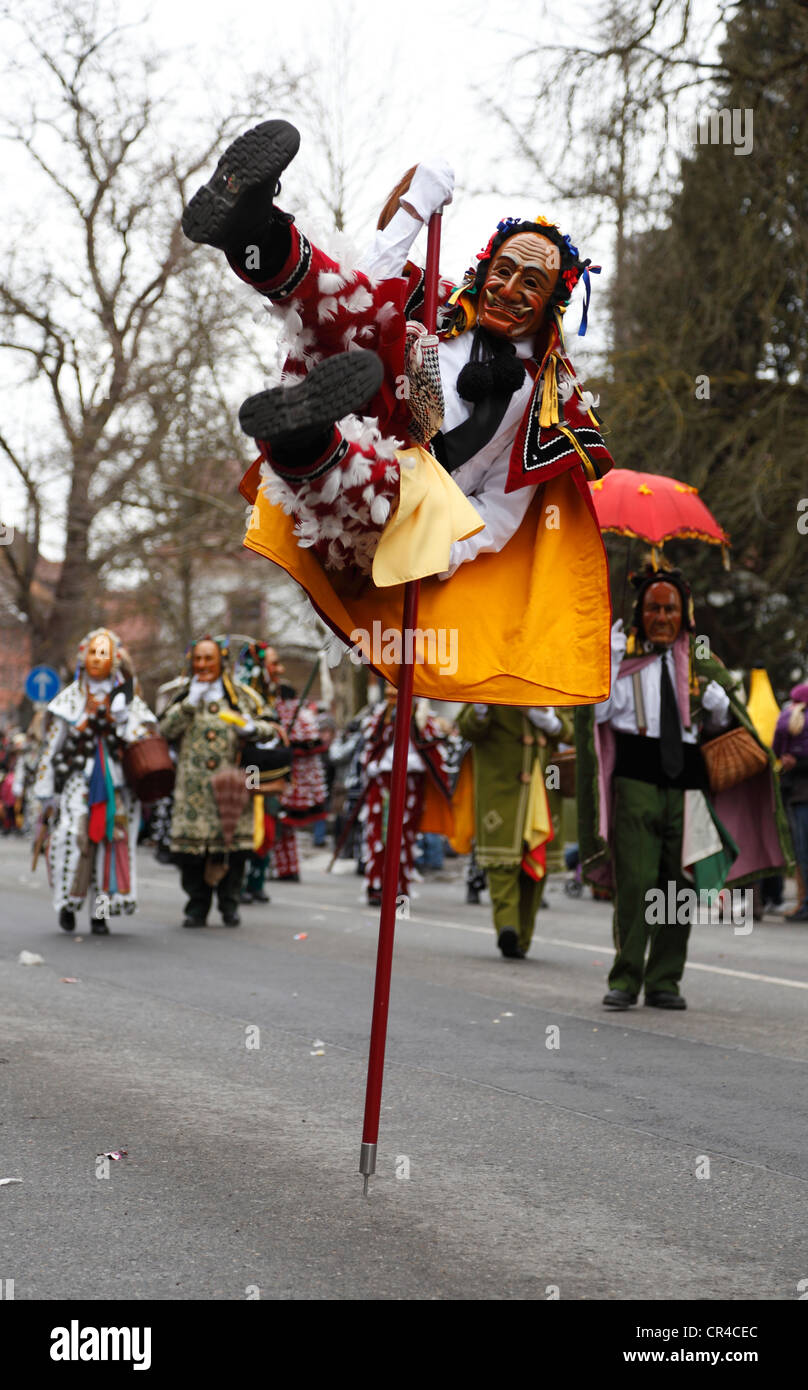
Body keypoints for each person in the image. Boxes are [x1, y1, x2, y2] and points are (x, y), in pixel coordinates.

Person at [180, 119, 613, 707]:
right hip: (374, 399)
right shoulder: (438, 312)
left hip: (399, 516)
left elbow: (501, 514)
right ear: (484, 273)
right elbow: (378, 276)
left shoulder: (545, 409)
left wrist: (441, 551)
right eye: (503, 271)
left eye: (530, 282)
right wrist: (417, 203)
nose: (509, 289)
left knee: (387, 484)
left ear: (552, 304)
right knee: (363, 313)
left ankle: (303, 437)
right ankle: (254, 234)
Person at [576, 565, 791, 1010]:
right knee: (636, 883)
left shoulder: (698, 659)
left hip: (689, 787)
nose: (661, 616)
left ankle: (664, 981)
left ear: (684, 614)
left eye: (669, 608)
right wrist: (608, 666)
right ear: (640, 612)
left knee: (679, 884)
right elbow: (596, 720)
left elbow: (722, 724)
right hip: (636, 782)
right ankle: (625, 978)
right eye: (653, 607)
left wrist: (718, 708)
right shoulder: (621, 655)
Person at [34, 629, 159, 934]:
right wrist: (45, 790)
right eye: (92, 652)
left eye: (104, 653)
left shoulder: (127, 697)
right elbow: (51, 747)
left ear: (115, 659)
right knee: (71, 839)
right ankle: (67, 905)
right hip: (78, 781)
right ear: (82, 656)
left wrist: (125, 725)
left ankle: (99, 915)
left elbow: (143, 736)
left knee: (109, 847)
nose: (97, 658)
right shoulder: (69, 699)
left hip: (116, 784)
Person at [159, 636, 280, 927]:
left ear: (220, 662)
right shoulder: (182, 696)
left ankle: (230, 904)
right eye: (197, 659)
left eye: (208, 659)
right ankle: (196, 906)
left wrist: (252, 728)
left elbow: (271, 728)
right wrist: (189, 705)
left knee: (234, 852)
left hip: (232, 787)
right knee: (192, 855)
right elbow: (163, 731)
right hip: (193, 791)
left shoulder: (242, 696)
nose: (202, 665)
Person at [455, 703, 572, 958]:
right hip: (500, 793)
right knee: (502, 865)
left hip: (544, 792)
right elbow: (467, 727)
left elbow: (572, 731)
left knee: (535, 867)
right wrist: (482, 705)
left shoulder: (551, 686)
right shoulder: (491, 682)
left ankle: (523, 937)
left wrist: (547, 719)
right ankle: (507, 928)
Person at [359, 685, 451, 906]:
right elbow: (372, 742)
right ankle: (377, 886)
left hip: (411, 783)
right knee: (379, 835)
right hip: (383, 782)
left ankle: (399, 888)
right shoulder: (381, 715)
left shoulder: (423, 718)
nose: (393, 694)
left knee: (405, 837)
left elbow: (433, 751)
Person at [773, 682, 808, 922]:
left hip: (800, 795)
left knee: (803, 853)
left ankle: (805, 904)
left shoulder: (790, 720)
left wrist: (791, 763)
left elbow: (776, 750)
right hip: (799, 794)